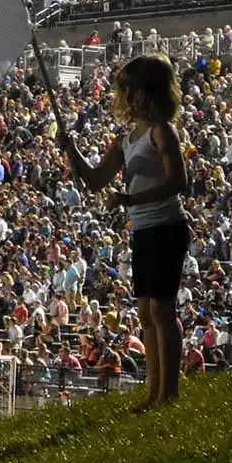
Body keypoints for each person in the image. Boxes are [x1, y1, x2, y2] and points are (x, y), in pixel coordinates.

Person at [57, 55, 190, 412]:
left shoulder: (162, 131)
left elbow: (178, 181)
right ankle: (153, 391)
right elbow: (97, 179)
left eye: (129, 90)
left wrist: (131, 198)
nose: (125, 97)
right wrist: (72, 151)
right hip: (143, 229)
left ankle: (169, 393)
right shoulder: (126, 140)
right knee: (146, 313)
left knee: (162, 309)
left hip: (167, 226)